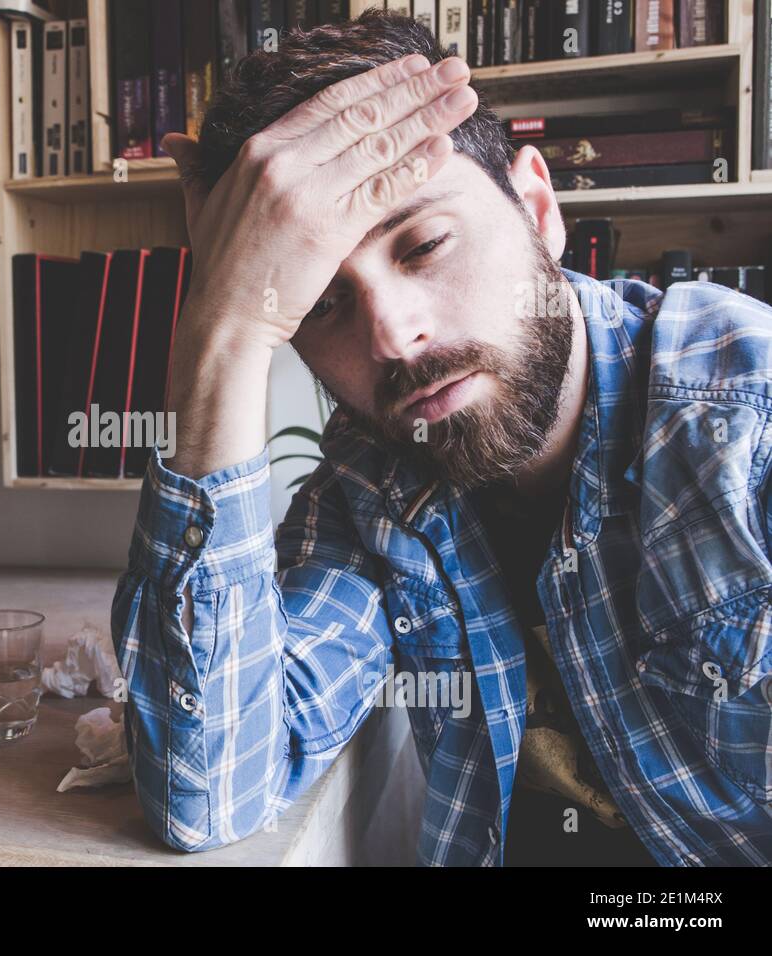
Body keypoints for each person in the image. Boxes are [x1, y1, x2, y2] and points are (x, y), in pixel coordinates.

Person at [110, 10, 772, 866]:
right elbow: (207, 794)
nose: (390, 335)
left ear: (537, 208)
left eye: (423, 244)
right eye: (320, 303)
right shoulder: (370, 488)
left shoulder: (746, 422)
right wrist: (225, 328)